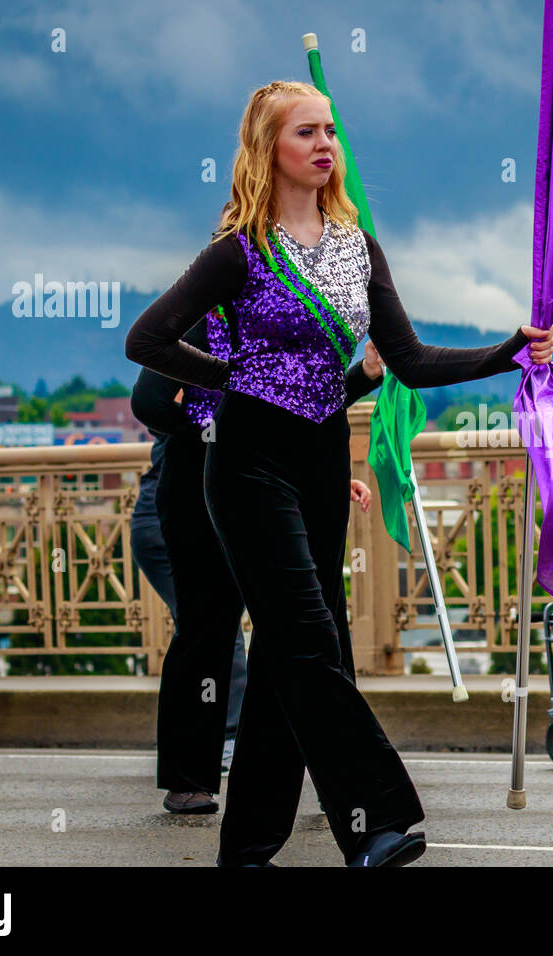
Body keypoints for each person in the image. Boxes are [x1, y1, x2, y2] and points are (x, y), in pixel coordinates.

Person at [125, 79, 553, 867]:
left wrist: (507, 351)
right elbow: (146, 343)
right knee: (310, 640)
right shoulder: (239, 252)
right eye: (305, 133)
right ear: (269, 150)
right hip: (248, 458)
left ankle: (248, 846)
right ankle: (376, 820)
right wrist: (235, 380)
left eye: (331, 132)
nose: (325, 145)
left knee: (297, 649)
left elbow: (412, 361)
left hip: (324, 453)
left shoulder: (358, 247)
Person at [130, 319, 383, 814]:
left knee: (314, 622)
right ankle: (189, 776)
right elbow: (149, 401)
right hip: (199, 487)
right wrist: (210, 438)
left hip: (275, 482)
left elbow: (307, 401)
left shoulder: (285, 317)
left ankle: (339, 772)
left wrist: (366, 375)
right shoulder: (200, 320)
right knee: (208, 626)